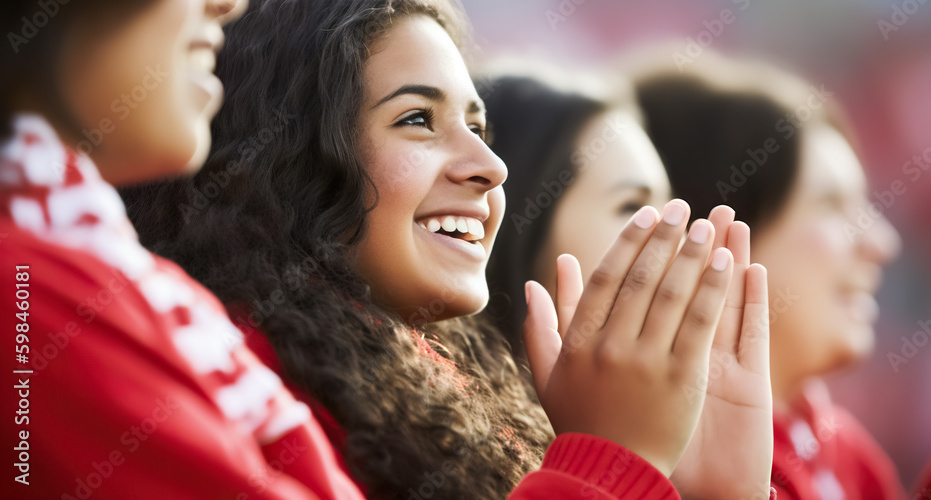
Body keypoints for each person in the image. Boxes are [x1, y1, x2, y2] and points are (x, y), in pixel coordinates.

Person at [121, 0, 758, 498]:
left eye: (478, 127)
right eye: (418, 119)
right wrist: (612, 461)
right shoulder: (242, 391)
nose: (490, 165)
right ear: (288, 163)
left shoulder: (428, 386)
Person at [0, 0, 367, 498]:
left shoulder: (114, 274)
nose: (229, 5)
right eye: (415, 119)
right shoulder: (26, 288)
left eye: (478, 126)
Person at [633, 53, 931, 499]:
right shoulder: (665, 466)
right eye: (833, 206)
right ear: (712, 240)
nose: (881, 243)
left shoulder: (841, 450)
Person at [482, 70, 776, 500]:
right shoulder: (432, 451)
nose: (674, 238)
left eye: (671, 208)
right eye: (633, 207)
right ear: (521, 234)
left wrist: (723, 493)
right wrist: (610, 463)